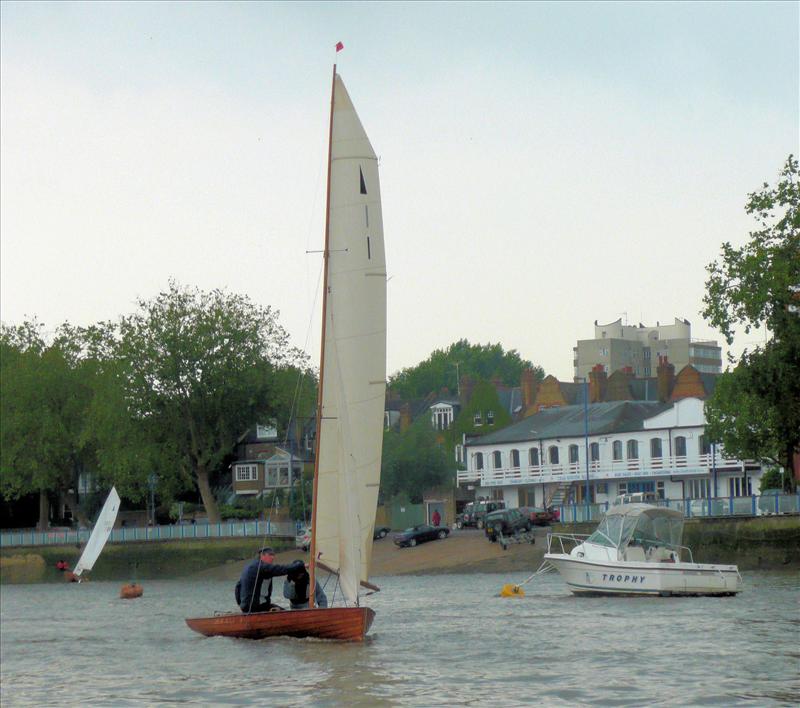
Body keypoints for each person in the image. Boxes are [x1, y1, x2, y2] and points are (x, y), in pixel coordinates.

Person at [235, 547, 303, 614]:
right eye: (270, 555)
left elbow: (238, 586)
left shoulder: (249, 566)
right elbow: (280, 569)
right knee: (288, 615)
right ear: (262, 555)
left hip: (250, 606)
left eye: (273, 555)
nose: (273, 557)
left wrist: (241, 605)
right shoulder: (259, 567)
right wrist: (299, 565)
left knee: (285, 612)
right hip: (254, 608)